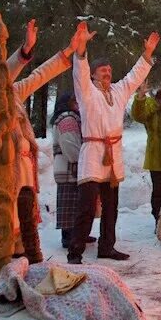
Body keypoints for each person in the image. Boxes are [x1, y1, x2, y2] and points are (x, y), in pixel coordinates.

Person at [68, 22, 158, 264]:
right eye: (103, 70)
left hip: (113, 154)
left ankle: (107, 247)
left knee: (111, 206)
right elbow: (79, 74)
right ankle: (75, 250)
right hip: (93, 152)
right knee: (87, 206)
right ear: (94, 73)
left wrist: (147, 54)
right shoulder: (87, 92)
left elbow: (134, 77)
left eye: (109, 70)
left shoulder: (118, 91)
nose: (107, 73)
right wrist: (82, 48)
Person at [7, 20, 82, 263]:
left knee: (26, 231)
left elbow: (40, 75)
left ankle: (30, 266)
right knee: (9, 227)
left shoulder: (15, 92)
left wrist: (70, 50)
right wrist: (24, 51)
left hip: (25, 176)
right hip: (5, 176)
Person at [51, 92, 96, 249]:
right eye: (74, 101)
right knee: (70, 203)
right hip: (70, 168)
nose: (78, 104)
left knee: (77, 204)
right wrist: (82, 159)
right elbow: (70, 145)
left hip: (72, 168)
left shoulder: (73, 118)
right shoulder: (68, 120)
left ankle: (79, 233)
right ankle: (69, 236)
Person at [131, 85, 161, 225]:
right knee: (159, 191)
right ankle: (158, 219)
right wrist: (141, 97)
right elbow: (138, 115)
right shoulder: (152, 106)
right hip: (157, 157)